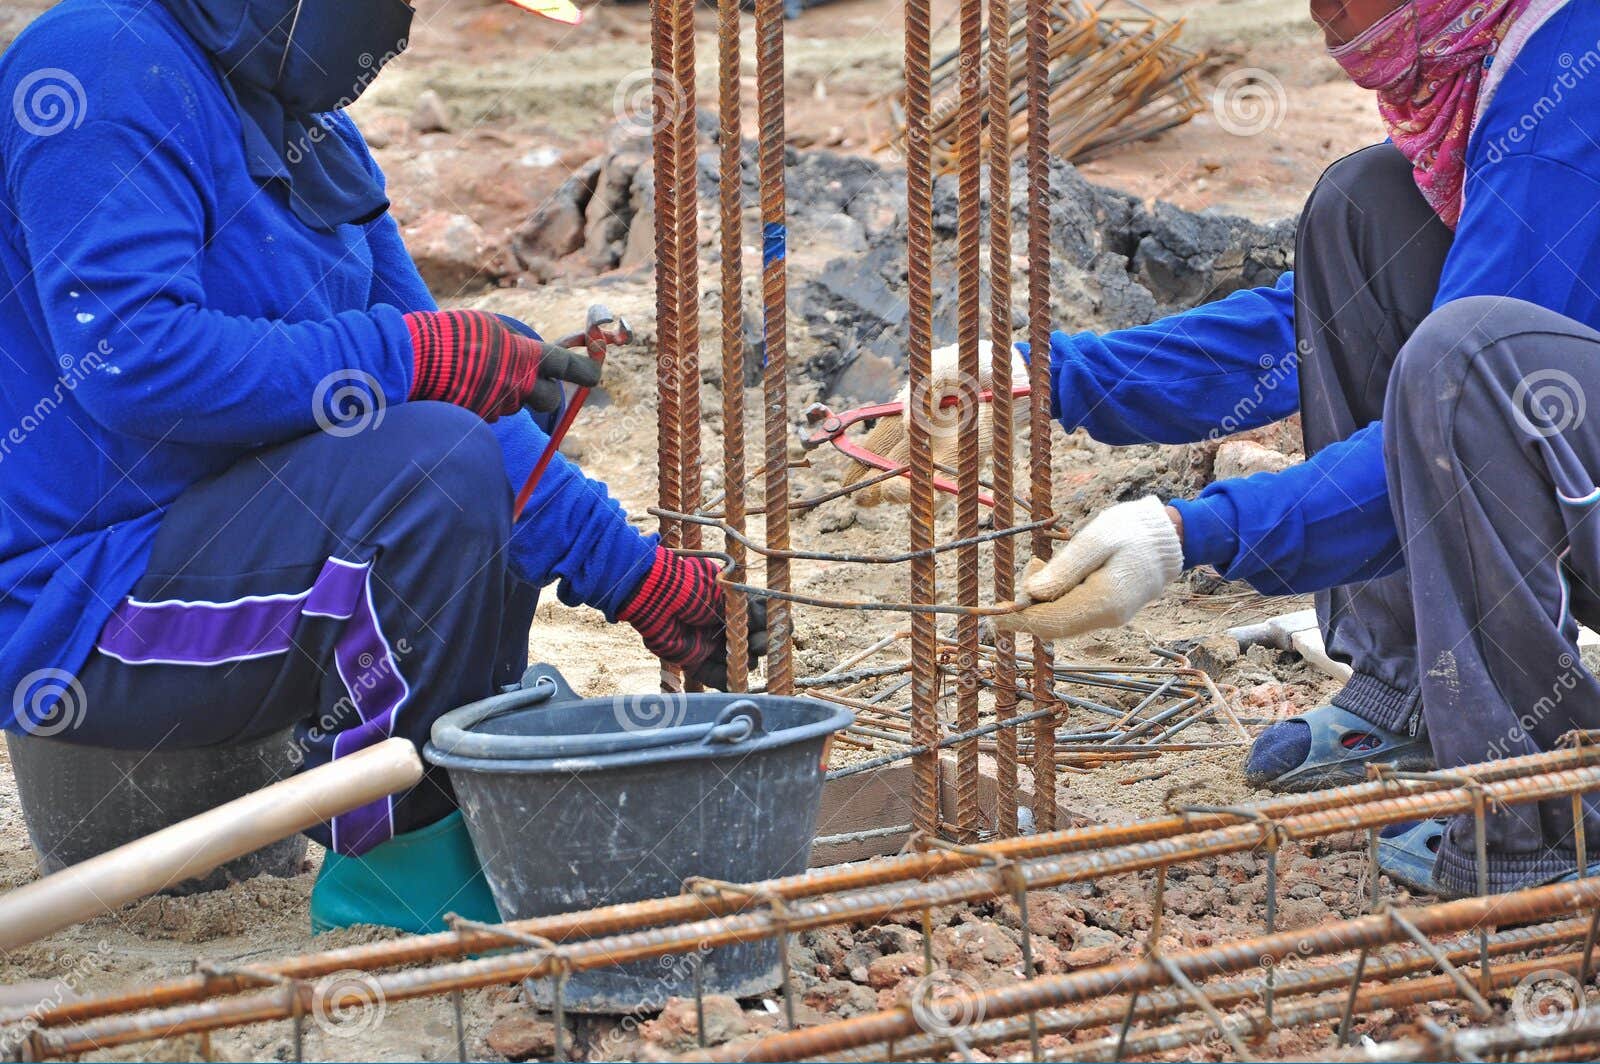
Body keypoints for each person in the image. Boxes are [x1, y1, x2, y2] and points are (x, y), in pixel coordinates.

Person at [0, 0, 758, 935]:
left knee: (454, 463)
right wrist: (405, 357)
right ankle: (396, 876)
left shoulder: (303, 121)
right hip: (86, 604)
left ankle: (449, 827)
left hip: (218, 555)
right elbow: (135, 360)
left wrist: (637, 577)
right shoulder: (100, 65)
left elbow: (460, 399)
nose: (396, 24)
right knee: (432, 485)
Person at [853, 0, 1600, 896]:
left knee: (1463, 364)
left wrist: (1190, 533)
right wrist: (1044, 373)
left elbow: (1457, 395)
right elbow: (1305, 331)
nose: (1323, 11)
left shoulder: (1566, 98)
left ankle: (1546, 811)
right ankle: (1411, 691)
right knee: (1361, 211)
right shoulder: (1494, 57)